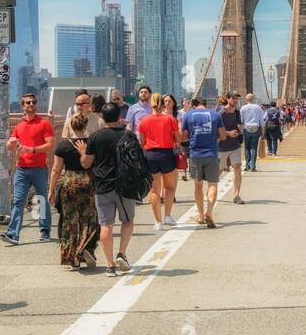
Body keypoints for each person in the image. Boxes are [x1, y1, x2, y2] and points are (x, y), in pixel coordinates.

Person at [82, 102, 135, 276]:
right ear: (120, 116)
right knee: (127, 220)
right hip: (125, 185)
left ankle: (110, 265)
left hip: (102, 185)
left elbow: (86, 163)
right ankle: (122, 254)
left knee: (106, 225)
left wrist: (83, 151)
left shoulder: (96, 136)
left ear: (102, 118)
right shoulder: (128, 135)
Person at [0, 93, 55, 245]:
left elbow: (51, 145)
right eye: (28, 102)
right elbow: (10, 145)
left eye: (34, 102)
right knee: (18, 201)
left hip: (39, 168)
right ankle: (13, 234)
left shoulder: (44, 124)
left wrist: (32, 149)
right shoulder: (18, 126)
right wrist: (10, 144)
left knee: (41, 200)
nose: (31, 104)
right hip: (22, 169)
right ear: (23, 106)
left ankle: (44, 230)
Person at [49, 112, 99, 270]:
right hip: (88, 181)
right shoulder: (92, 143)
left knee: (70, 220)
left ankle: (72, 259)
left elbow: (56, 169)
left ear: (70, 125)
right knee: (89, 217)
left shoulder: (63, 145)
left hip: (69, 182)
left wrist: (51, 190)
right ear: (85, 125)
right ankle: (86, 247)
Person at [179, 97, 226, 228]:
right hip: (211, 153)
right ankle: (209, 212)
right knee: (213, 185)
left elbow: (182, 137)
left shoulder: (188, 115)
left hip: (195, 154)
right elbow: (223, 136)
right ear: (205, 104)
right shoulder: (215, 115)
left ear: (194, 105)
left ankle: (200, 215)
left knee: (198, 185)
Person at [138, 95, 181, 230]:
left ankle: (157, 222)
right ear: (163, 104)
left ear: (151, 104)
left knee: (154, 190)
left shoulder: (144, 121)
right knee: (170, 187)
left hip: (150, 155)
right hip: (167, 154)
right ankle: (167, 215)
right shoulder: (170, 119)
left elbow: (142, 142)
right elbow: (178, 139)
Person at [217, 96, 245, 205]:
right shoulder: (221, 113)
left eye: (237, 99)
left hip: (235, 145)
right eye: (233, 98)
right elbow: (216, 130)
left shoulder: (237, 113)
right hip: (222, 146)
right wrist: (229, 133)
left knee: (237, 167)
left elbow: (239, 126)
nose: (235, 100)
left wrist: (240, 129)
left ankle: (236, 195)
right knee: (218, 171)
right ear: (228, 99)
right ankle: (211, 189)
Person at [239, 93, 265, 172]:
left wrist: (240, 131)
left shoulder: (243, 108)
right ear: (253, 99)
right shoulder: (258, 108)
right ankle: (253, 166)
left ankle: (247, 166)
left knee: (247, 148)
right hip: (256, 129)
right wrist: (263, 131)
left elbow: (241, 120)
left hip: (246, 129)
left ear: (246, 99)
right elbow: (261, 121)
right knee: (254, 148)